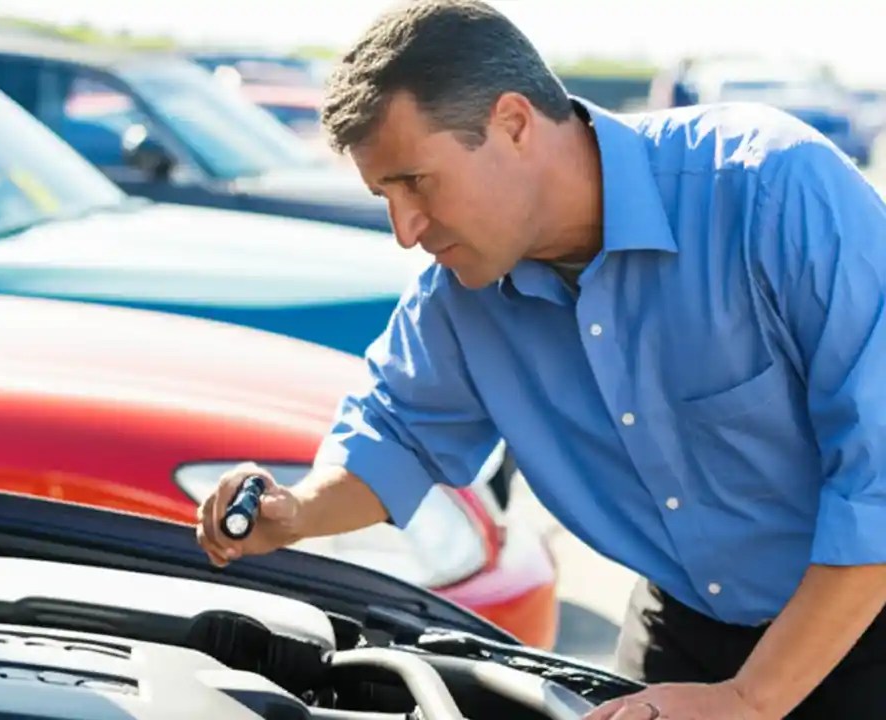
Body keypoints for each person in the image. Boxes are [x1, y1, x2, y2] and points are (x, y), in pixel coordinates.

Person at [194, 1, 886, 718]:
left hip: (866, 616)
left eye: (416, 183)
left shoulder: (772, 190)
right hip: (683, 626)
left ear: (514, 124)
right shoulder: (460, 298)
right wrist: (295, 511)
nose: (405, 232)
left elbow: (880, 479)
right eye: (384, 197)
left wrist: (750, 697)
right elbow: (395, 437)